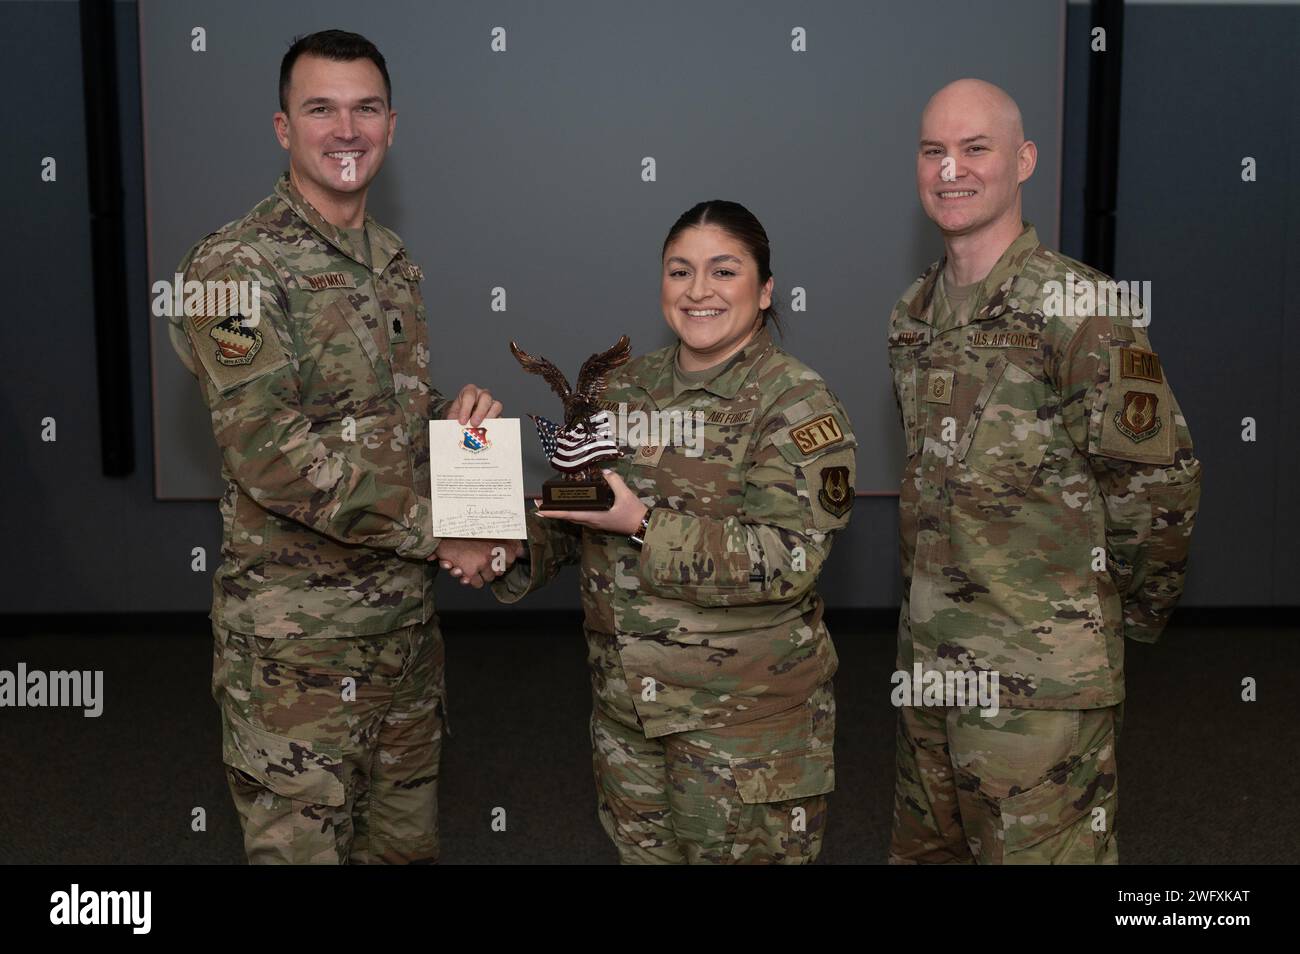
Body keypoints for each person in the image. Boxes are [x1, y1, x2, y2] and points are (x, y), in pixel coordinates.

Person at [167, 29, 518, 864]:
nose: (346, 129)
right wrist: (445, 529)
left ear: (391, 126)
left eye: (365, 109)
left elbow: (377, 418)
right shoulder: (234, 267)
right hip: (298, 655)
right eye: (320, 109)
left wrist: (452, 421)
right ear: (284, 129)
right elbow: (272, 455)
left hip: (400, 631)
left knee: (403, 849)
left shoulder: (391, 262)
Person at [886, 79, 1202, 864]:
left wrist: (1103, 628)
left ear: (1023, 160)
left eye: (975, 148)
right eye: (934, 151)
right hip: (931, 675)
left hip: (1041, 688)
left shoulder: (1081, 307)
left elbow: (1158, 488)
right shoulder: (913, 313)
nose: (950, 169)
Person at [493, 200, 856, 864]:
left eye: (724, 270)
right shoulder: (624, 391)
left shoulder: (794, 402)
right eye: (679, 271)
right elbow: (584, 516)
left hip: (740, 732)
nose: (698, 291)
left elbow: (790, 557)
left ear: (766, 289)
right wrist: (506, 545)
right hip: (629, 714)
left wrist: (644, 523)